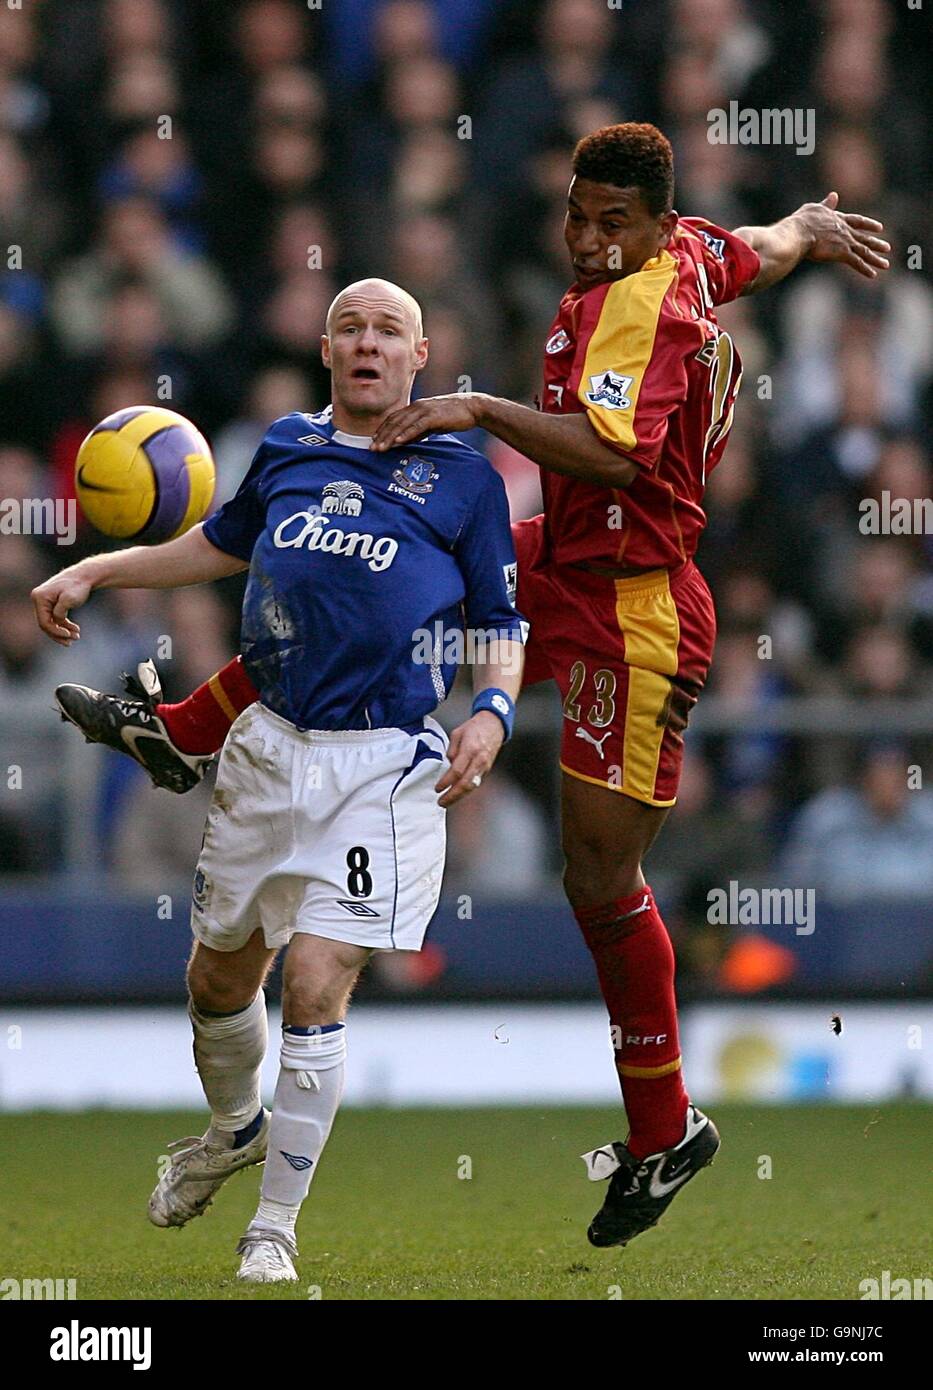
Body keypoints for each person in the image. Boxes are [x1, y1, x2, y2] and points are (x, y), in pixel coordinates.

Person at [48, 123, 889, 1251]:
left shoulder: (643, 300)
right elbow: (757, 246)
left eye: (609, 226)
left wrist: (477, 408)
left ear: (648, 225)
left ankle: (664, 1127)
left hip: (636, 600)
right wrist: (811, 229)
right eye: (576, 217)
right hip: (574, 555)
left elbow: (617, 454)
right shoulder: (686, 246)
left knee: (600, 876)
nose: (586, 243)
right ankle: (188, 732)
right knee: (385, 591)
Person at [32, 278, 525, 1283]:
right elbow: (216, 546)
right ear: (326, 346)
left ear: (421, 354)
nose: (368, 343)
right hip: (266, 750)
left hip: (384, 765)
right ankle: (232, 1126)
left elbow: (499, 620)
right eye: (350, 326)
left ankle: (274, 1227)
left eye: (389, 330)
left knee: (314, 979)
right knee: (218, 979)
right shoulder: (289, 449)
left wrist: (493, 709)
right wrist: (97, 571)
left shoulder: (462, 478)